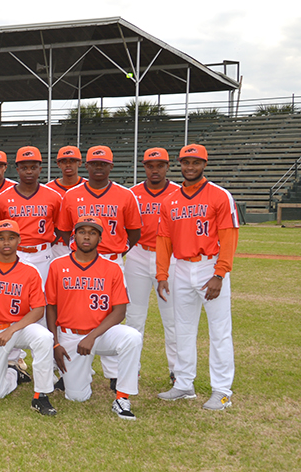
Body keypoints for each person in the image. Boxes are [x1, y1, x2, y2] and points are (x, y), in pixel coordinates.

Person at [155, 144, 239, 410]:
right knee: (183, 329)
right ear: (180, 165)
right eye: (185, 162)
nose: (190, 167)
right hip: (181, 266)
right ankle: (183, 383)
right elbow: (164, 239)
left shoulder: (219, 195)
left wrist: (220, 273)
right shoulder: (170, 200)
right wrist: (162, 274)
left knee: (220, 331)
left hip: (209, 265)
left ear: (204, 163)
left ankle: (223, 390)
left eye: (195, 162)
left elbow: (228, 236)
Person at [55, 145, 142, 387]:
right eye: (94, 164)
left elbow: (134, 231)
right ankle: (72, 368)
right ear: (87, 166)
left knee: (109, 313)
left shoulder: (125, 195)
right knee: (75, 313)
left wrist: (117, 250)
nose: (98, 168)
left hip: (110, 260)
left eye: (103, 164)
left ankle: (114, 374)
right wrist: (77, 251)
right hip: (78, 261)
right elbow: (63, 228)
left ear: (111, 166)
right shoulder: (72, 195)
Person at [46, 216, 141, 419]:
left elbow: (119, 312)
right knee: (77, 397)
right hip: (71, 336)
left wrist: (92, 336)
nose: (86, 236)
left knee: (132, 337)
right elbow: (51, 307)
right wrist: (55, 344)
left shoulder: (112, 268)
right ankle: (82, 372)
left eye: (92, 232)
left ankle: (122, 398)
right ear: (74, 237)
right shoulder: (57, 265)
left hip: (102, 333)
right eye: (82, 232)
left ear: (100, 238)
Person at [0, 220, 57, 415]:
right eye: (1, 238)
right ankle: (13, 373)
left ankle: (40, 396)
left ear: (19, 240)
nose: (6, 242)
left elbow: (38, 310)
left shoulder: (30, 270)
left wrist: (11, 330)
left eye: (11, 238)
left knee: (44, 337)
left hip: (18, 328)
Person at [126, 148, 180, 380]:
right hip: (138, 255)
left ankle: (177, 371)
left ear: (168, 166)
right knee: (134, 317)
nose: (155, 169)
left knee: (173, 319)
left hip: (170, 257)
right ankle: (131, 369)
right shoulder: (132, 193)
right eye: (150, 165)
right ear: (144, 166)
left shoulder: (180, 192)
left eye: (159, 165)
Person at [0, 146, 63, 285]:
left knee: (43, 297)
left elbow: (59, 227)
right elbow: (0, 228)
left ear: (40, 169)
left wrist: (46, 243)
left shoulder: (54, 196)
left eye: (33, 167)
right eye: (24, 168)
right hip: (15, 253)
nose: (29, 171)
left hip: (43, 253)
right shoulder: (2, 198)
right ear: (18, 169)